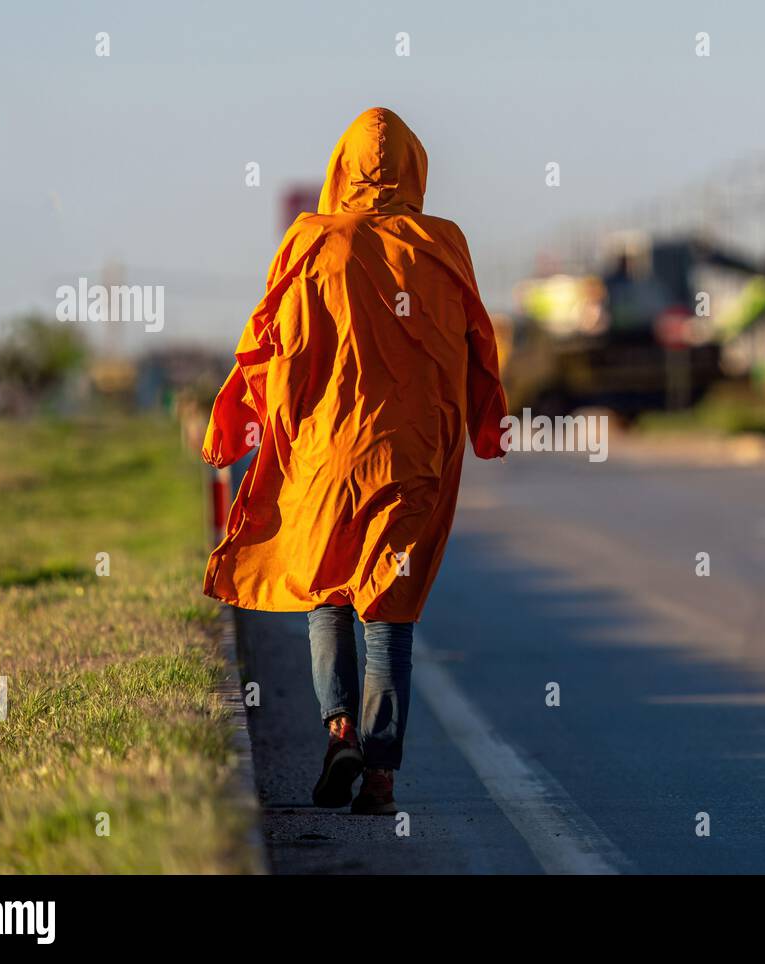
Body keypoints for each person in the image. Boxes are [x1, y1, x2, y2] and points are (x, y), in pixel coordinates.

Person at [200, 107, 508, 815]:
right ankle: (381, 775)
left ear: (340, 168)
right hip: (410, 458)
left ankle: (338, 728)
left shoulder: (310, 242)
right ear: (415, 169)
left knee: (328, 590)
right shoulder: (442, 244)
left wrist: (234, 421)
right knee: (389, 605)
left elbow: (263, 343)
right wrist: (488, 426)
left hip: (323, 453)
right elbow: (478, 346)